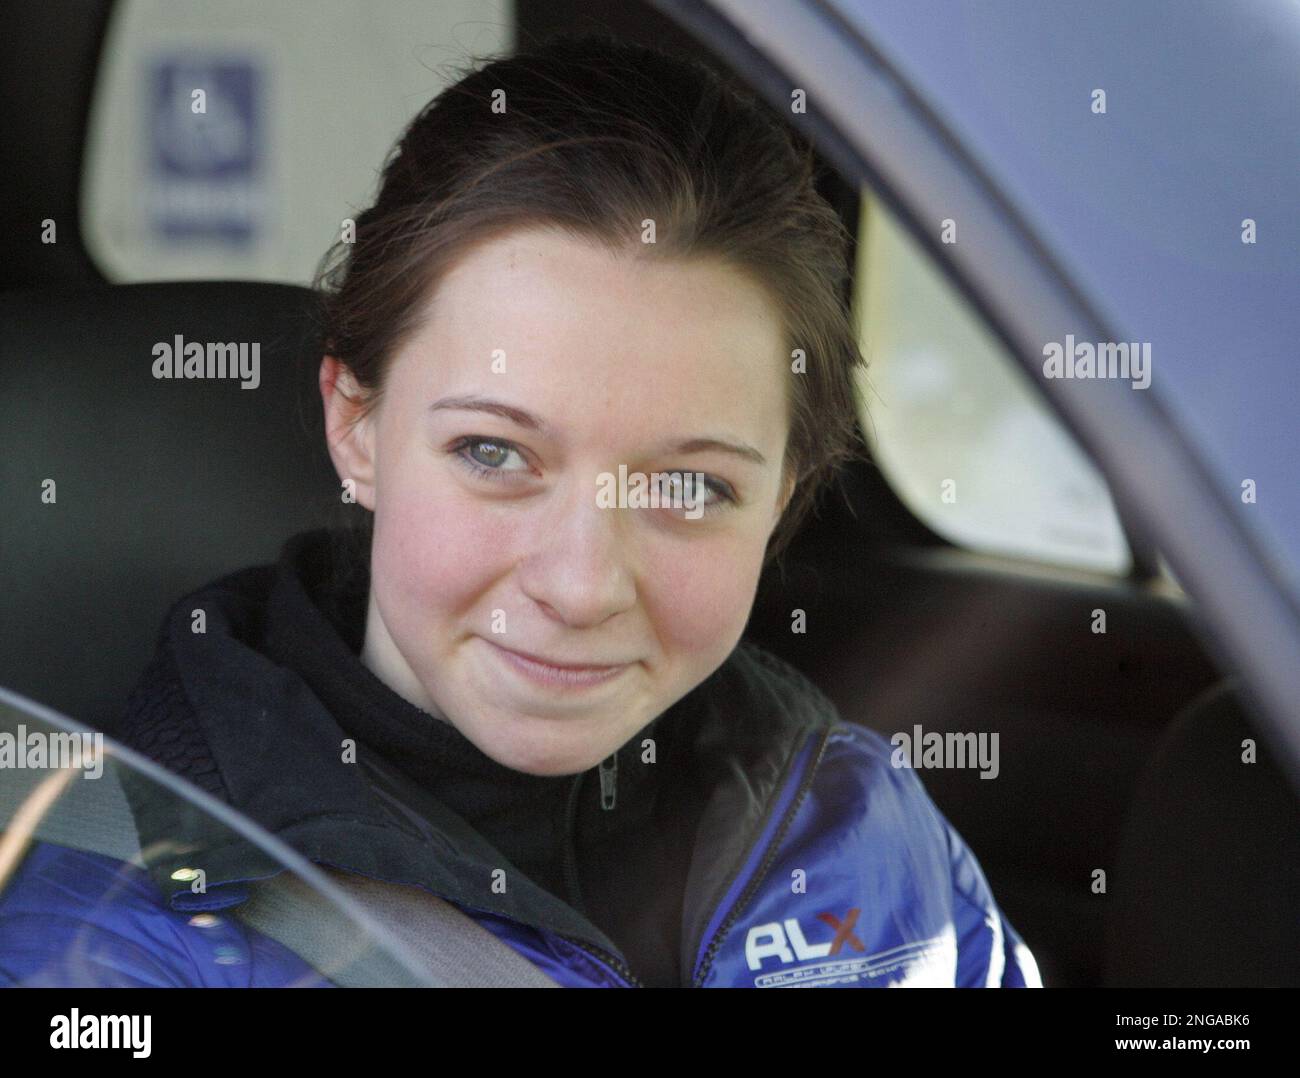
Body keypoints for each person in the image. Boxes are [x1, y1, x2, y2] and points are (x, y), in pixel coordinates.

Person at [0, 33, 1040, 988]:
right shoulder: (125, 939)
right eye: (494, 453)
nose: (581, 584)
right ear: (355, 426)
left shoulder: (852, 822)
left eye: (690, 486)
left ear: (786, 490)